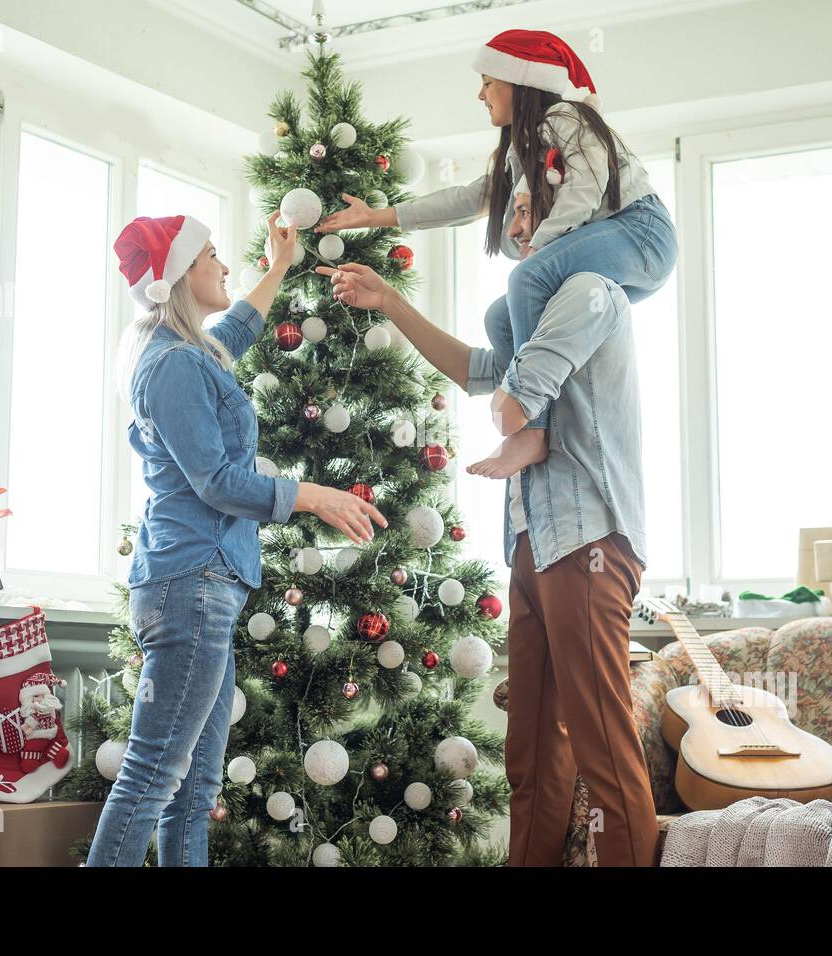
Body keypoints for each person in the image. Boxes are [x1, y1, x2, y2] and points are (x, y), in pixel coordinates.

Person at [318, 188, 660, 867]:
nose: (518, 223)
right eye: (513, 212)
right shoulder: (539, 312)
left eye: (534, 207)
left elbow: (512, 397)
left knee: (603, 752)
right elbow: (479, 370)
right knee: (532, 753)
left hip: (589, 538)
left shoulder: (590, 289)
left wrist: (512, 405)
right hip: (536, 542)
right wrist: (390, 302)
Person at [87, 212, 387, 867]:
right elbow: (217, 482)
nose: (225, 266)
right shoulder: (172, 366)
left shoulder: (186, 353)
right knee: (154, 774)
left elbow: (236, 328)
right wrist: (312, 495)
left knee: (192, 790)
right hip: (191, 584)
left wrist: (279, 265)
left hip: (205, 585)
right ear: (179, 277)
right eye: (212, 257)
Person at [317, 29, 676, 481]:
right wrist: (377, 216)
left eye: (489, 81)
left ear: (519, 81)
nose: (480, 93)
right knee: (502, 318)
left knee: (527, 280)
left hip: (641, 231)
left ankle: (530, 430)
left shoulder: (565, 117)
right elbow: (468, 199)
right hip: (614, 245)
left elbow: (586, 184)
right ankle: (527, 417)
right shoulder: (521, 153)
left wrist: (542, 250)